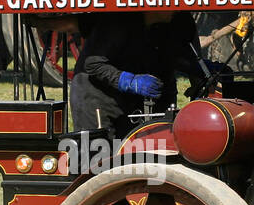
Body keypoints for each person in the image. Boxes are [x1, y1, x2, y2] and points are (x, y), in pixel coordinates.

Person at [70, 11, 211, 136]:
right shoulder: (118, 22)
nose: (175, 11)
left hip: (131, 101)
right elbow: (93, 63)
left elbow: (174, 55)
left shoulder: (177, 20)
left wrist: (201, 68)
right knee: (100, 157)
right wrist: (128, 81)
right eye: (172, 7)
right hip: (97, 97)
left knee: (132, 154)